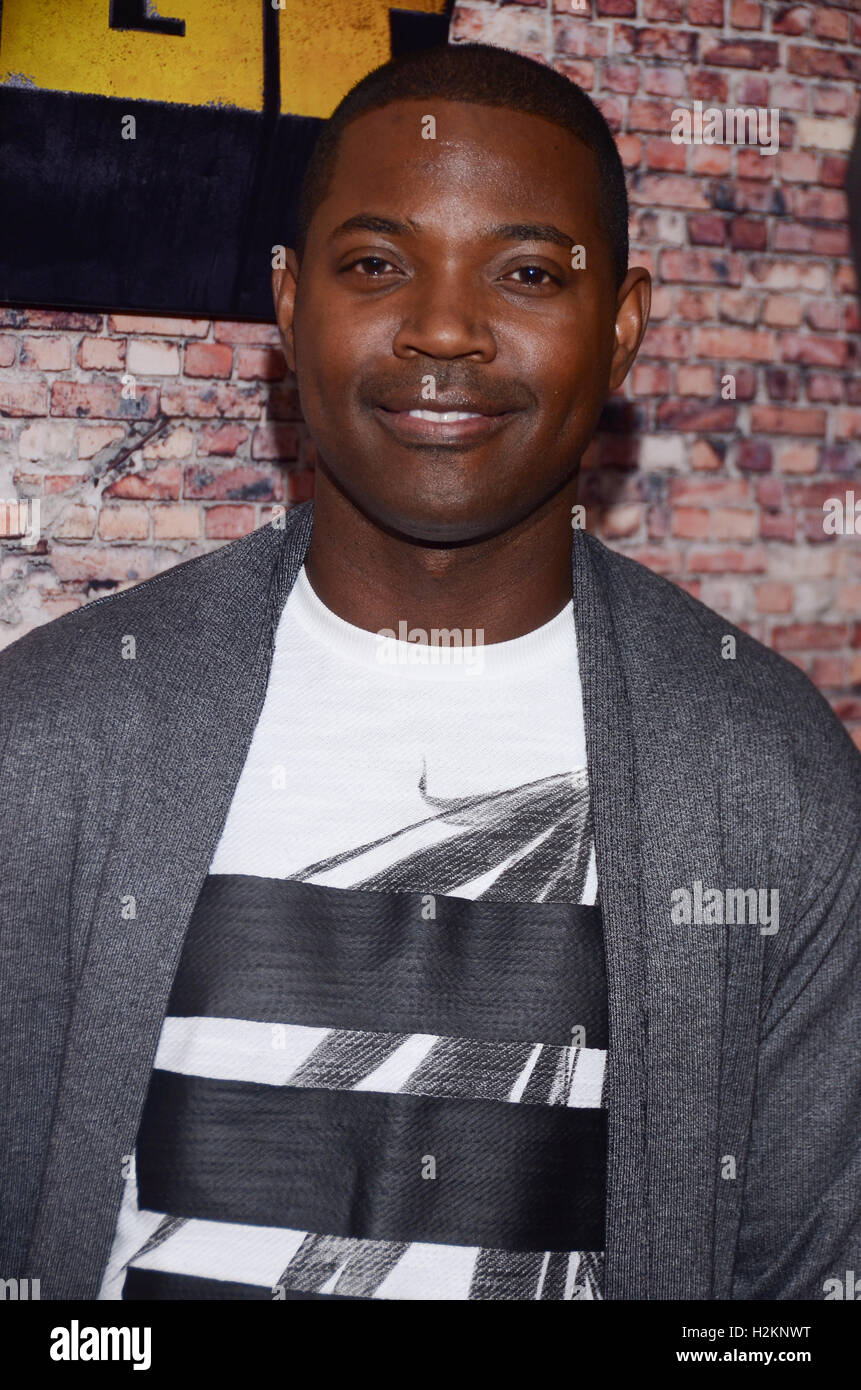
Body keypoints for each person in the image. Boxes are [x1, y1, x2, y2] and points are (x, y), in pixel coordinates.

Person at [1, 42, 859, 1303]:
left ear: (622, 327)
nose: (446, 327)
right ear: (289, 306)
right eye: (376, 265)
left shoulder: (770, 778)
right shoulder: (55, 734)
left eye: (524, 272)